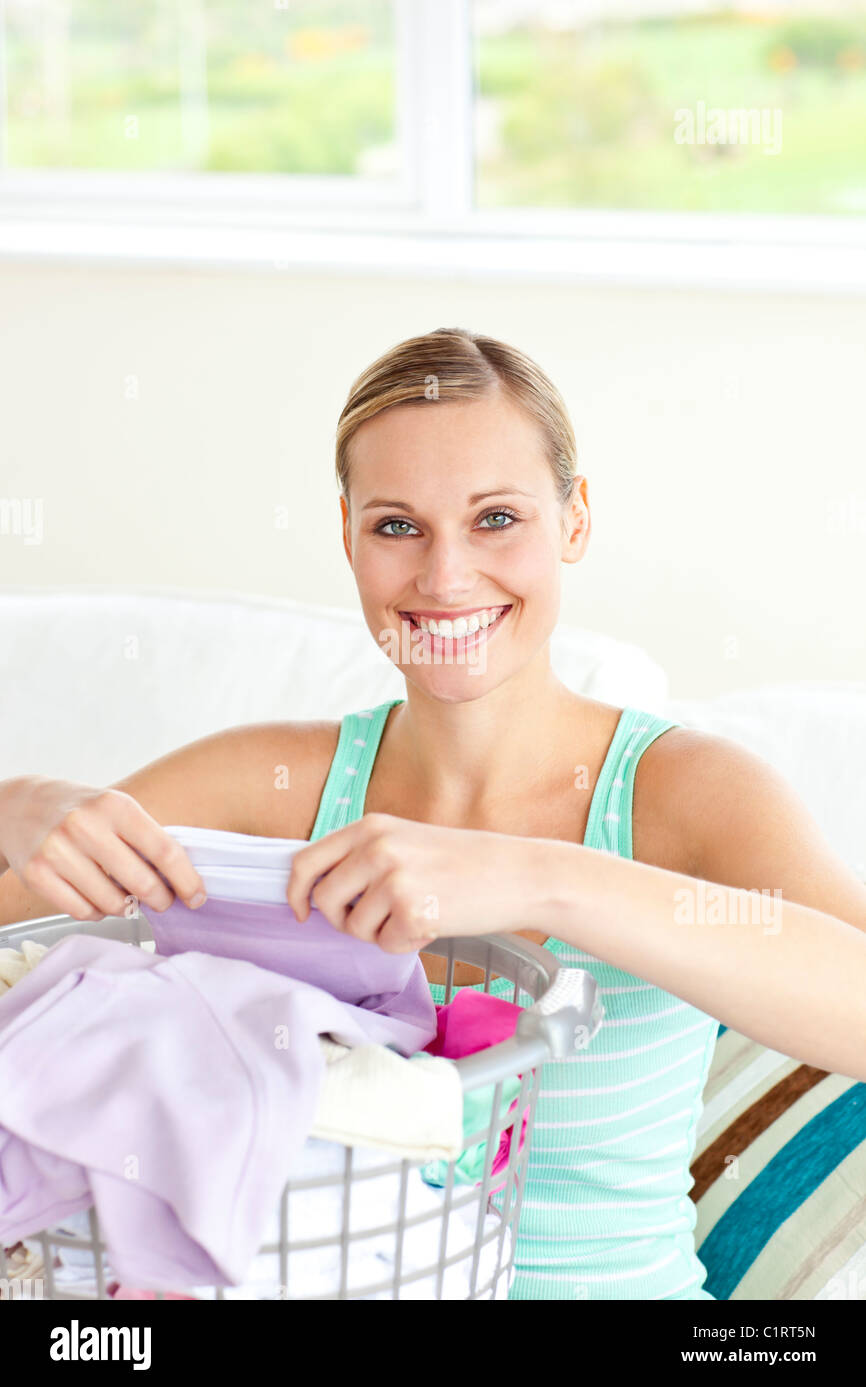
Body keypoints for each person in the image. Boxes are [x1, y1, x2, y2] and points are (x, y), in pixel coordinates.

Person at [2, 326, 865, 1301]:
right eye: (396, 525)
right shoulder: (271, 785)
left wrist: (542, 878)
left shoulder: (680, 794)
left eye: (495, 517)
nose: (445, 576)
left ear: (573, 520)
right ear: (347, 536)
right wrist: (12, 809)